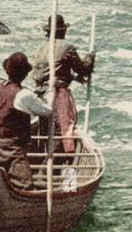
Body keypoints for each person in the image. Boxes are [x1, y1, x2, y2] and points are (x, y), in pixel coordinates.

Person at [30, 14, 95, 157]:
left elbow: (48, 70)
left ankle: (46, 155)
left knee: (45, 127)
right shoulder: (66, 47)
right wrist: (90, 57)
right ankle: (60, 160)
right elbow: (83, 68)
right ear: (62, 31)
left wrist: (71, 77)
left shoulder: (42, 47)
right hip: (56, 93)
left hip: (40, 92)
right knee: (61, 127)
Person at [0, 52, 53, 187]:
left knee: (8, 180)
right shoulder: (23, 94)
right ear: (24, 74)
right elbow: (47, 111)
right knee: (26, 185)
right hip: (12, 147)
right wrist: (48, 96)